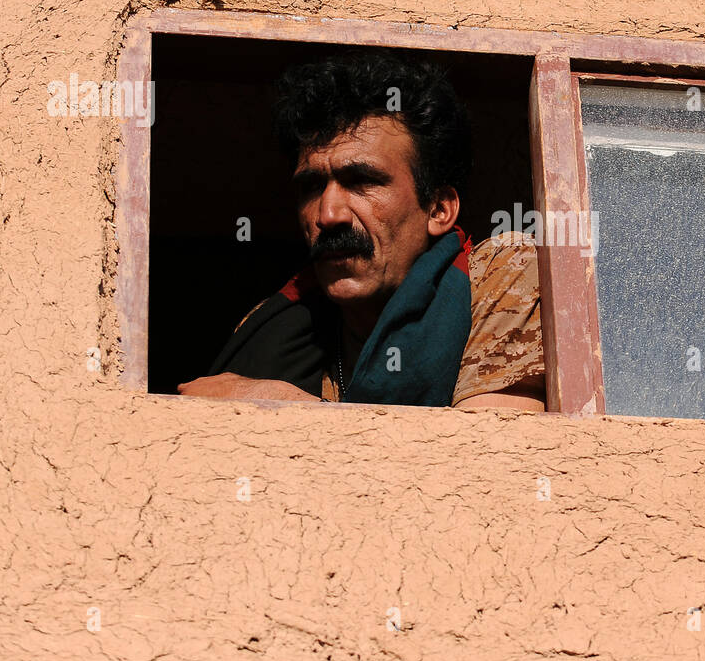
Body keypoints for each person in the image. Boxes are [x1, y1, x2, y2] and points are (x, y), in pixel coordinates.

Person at [178, 49, 545, 411]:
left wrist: (285, 409)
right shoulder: (273, 328)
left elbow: (494, 459)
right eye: (311, 186)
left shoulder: (499, 274)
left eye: (362, 181)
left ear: (438, 209)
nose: (329, 214)